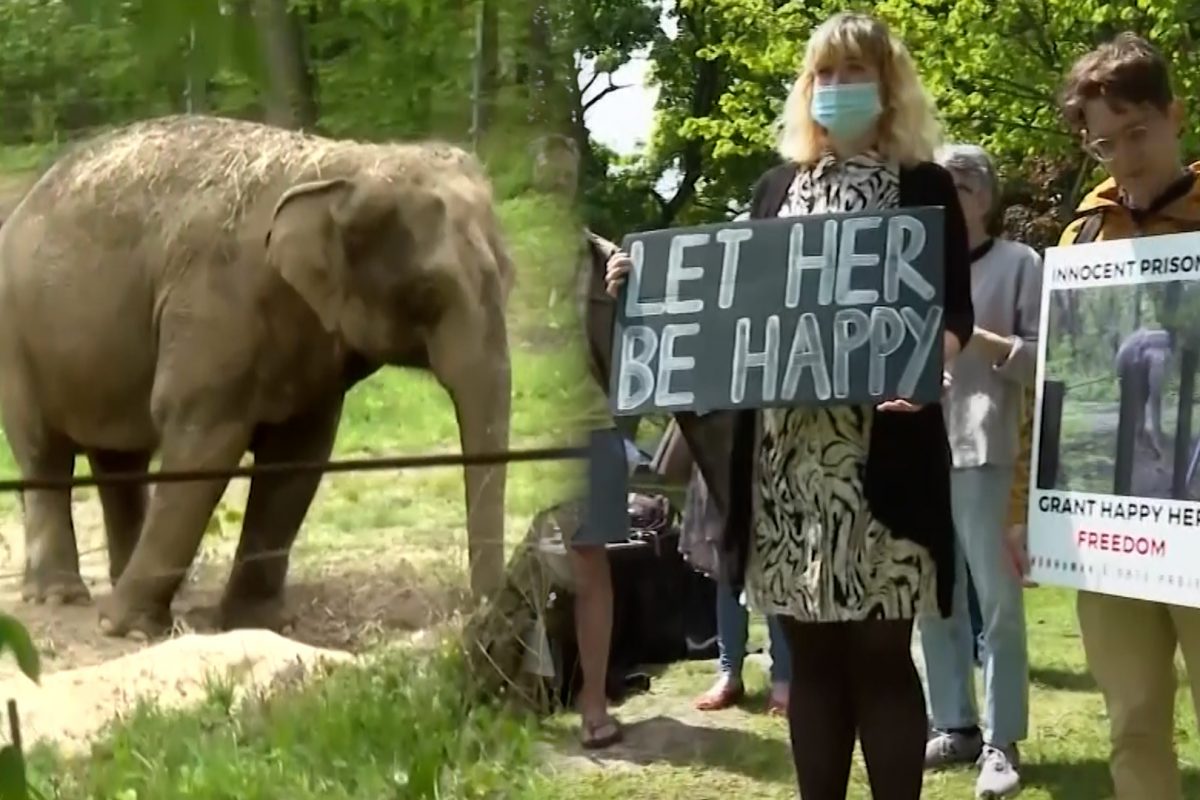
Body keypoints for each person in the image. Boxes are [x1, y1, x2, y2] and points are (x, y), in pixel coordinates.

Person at [607, 12, 974, 798]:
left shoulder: (925, 186)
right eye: (825, 75)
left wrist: (924, 365)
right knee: (811, 660)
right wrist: (647, 285)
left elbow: (954, 316)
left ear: (888, 87)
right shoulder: (774, 191)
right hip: (786, 469)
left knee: (880, 656)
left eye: (855, 73)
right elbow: (727, 303)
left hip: (885, 462)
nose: (837, 88)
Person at [1051, 31, 1200, 800]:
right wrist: (1024, 511)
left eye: (1137, 133)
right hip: (1115, 534)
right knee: (1134, 719)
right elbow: (1055, 382)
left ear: (1176, 114)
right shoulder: (1082, 235)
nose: (1126, 160)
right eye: (1105, 145)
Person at [918, 144, 1041, 798]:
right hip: (920, 449)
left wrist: (974, 338)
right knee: (933, 599)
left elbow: (1044, 361)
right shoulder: (914, 267)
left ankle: (1002, 739)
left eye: (960, 187)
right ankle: (954, 724)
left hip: (987, 448)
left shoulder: (1021, 264)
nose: (948, 198)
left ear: (987, 197)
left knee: (998, 604)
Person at [567, 229, 636, 750]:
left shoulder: (606, 260)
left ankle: (593, 703)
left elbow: (640, 348)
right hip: (517, 427)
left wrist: (630, 293)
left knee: (589, 563)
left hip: (591, 427)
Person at [684, 462, 793, 715]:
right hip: (726, 451)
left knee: (775, 554)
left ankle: (784, 679)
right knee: (728, 557)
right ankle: (729, 674)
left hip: (774, 454)